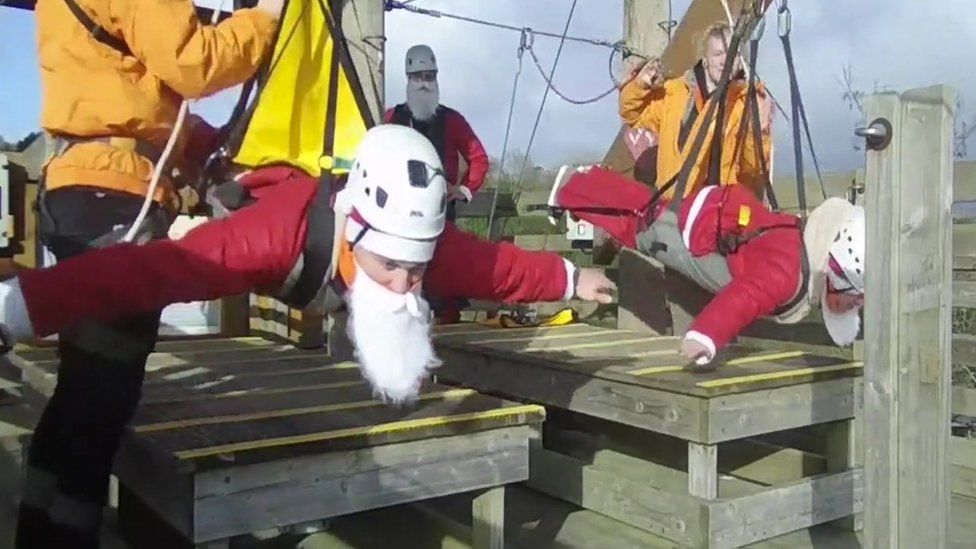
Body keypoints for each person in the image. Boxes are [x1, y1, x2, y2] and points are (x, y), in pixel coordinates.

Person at [0, 124, 616, 402]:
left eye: (416, 269)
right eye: (388, 266)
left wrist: (573, 277)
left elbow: (502, 270)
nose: (404, 285)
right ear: (355, 229)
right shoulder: (272, 236)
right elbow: (142, 273)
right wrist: (17, 309)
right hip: (259, 202)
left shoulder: (429, 250)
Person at [18, 0, 283, 546]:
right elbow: (193, 62)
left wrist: (213, 156)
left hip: (85, 188)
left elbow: (139, 96)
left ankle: (35, 528)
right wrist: (267, 17)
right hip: (113, 198)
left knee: (81, 384)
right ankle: (67, 536)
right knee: (103, 397)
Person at [549, 165, 864, 367]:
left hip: (720, 222)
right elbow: (742, 299)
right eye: (852, 300)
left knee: (649, 216)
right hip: (704, 232)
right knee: (645, 228)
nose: (852, 305)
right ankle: (573, 187)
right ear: (835, 272)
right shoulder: (786, 273)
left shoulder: (801, 247)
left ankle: (584, 182)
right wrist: (706, 336)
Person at [619, 22, 775, 201]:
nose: (725, 60)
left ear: (740, 62)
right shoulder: (674, 92)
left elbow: (753, 168)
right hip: (673, 207)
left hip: (717, 212)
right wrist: (640, 85)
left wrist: (759, 131)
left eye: (732, 54)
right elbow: (633, 115)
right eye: (718, 54)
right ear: (705, 59)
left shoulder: (746, 103)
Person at [384, 44, 489, 216]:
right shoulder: (391, 118)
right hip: (398, 210)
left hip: (440, 212)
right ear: (409, 79)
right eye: (417, 77)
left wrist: (464, 189)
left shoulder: (452, 120)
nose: (424, 83)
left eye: (429, 76)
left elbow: (479, 158)